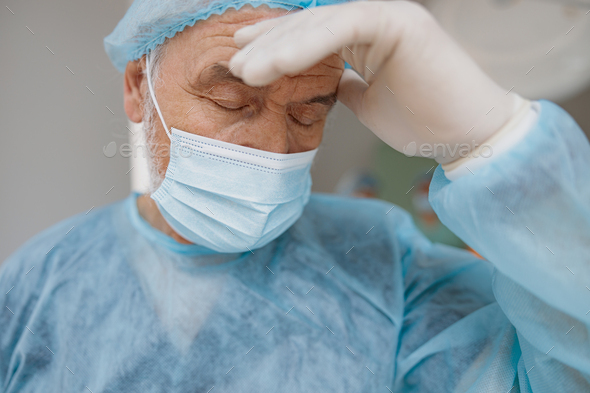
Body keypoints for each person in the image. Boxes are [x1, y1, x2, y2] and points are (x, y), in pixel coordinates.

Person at [1, 0, 589, 391]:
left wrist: (490, 143)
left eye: (310, 113)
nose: (274, 147)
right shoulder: (33, 290)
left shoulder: (387, 265)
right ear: (137, 86)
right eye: (232, 103)